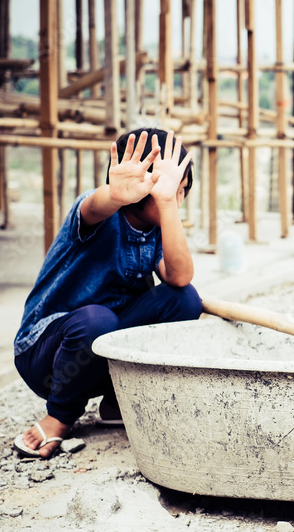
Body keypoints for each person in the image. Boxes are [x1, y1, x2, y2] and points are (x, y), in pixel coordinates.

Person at [13, 128, 202, 459]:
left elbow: (181, 276)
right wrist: (117, 194)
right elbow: (96, 206)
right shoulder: (97, 211)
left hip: (103, 353)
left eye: (181, 190)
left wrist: (167, 202)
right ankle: (58, 416)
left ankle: (118, 399)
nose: (178, 198)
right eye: (173, 189)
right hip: (46, 355)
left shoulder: (159, 226)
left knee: (184, 298)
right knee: (98, 320)